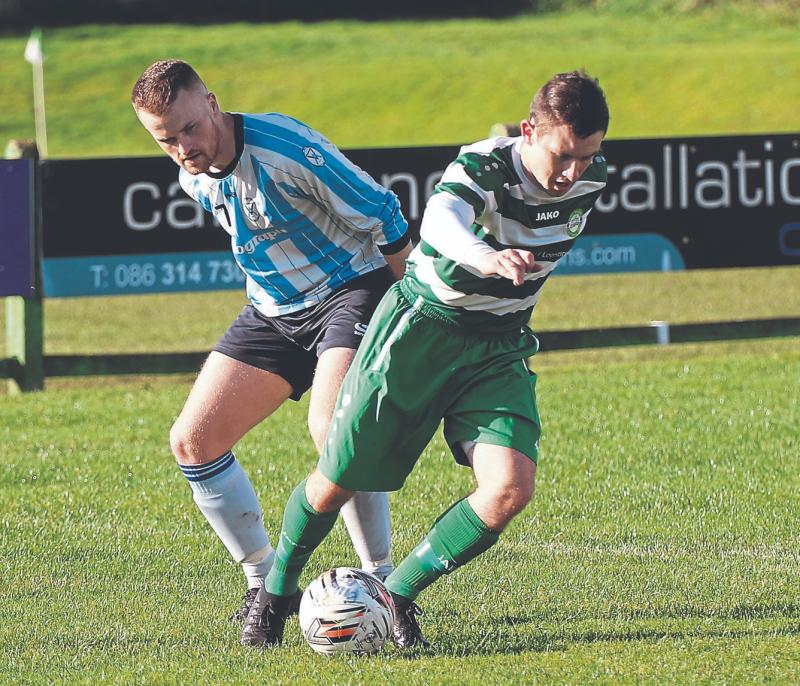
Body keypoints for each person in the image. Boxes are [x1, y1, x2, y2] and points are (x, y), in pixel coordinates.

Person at [239, 69, 610, 649]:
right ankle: (277, 591)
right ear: (527, 131)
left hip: (499, 344)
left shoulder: (591, 178)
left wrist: (506, 275)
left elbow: (565, 192)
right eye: (563, 156)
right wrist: (487, 259)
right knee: (338, 478)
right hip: (420, 330)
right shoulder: (482, 166)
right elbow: (440, 222)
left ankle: (395, 597)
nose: (572, 174)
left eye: (587, 158)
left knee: (509, 489)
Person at [131, 60, 411, 623]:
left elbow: (383, 212)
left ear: (211, 102)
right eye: (166, 140)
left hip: (348, 290)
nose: (183, 148)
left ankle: (382, 587)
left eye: (189, 128)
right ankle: (263, 585)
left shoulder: (285, 148)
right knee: (192, 441)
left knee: (334, 428)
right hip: (275, 312)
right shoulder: (194, 173)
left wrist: (413, 314)